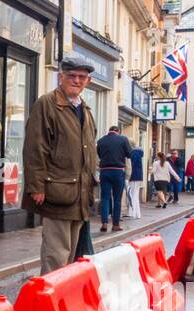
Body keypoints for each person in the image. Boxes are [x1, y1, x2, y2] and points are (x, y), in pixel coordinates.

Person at [23, 54, 98, 275]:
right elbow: (36, 147)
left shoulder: (84, 109)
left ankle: (62, 302)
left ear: (88, 81)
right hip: (57, 191)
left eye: (82, 77)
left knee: (72, 257)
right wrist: (36, 186)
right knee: (56, 256)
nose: (76, 80)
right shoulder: (47, 104)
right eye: (71, 76)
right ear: (61, 77)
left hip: (79, 193)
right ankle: (48, 303)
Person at [96, 124, 131, 233]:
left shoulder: (101, 141)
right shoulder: (123, 139)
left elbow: (99, 154)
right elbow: (129, 154)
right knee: (117, 199)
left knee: (105, 198)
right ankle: (115, 224)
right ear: (118, 131)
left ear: (109, 131)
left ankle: (104, 223)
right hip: (117, 171)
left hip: (105, 171)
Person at [126, 142, 145, 220]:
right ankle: (137, 213)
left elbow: (131, 165)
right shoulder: (139, 153)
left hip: (133, 176)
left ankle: (132, 212)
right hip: (138, 176)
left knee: (131, 195)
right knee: (135, 195)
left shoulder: (133, 153)